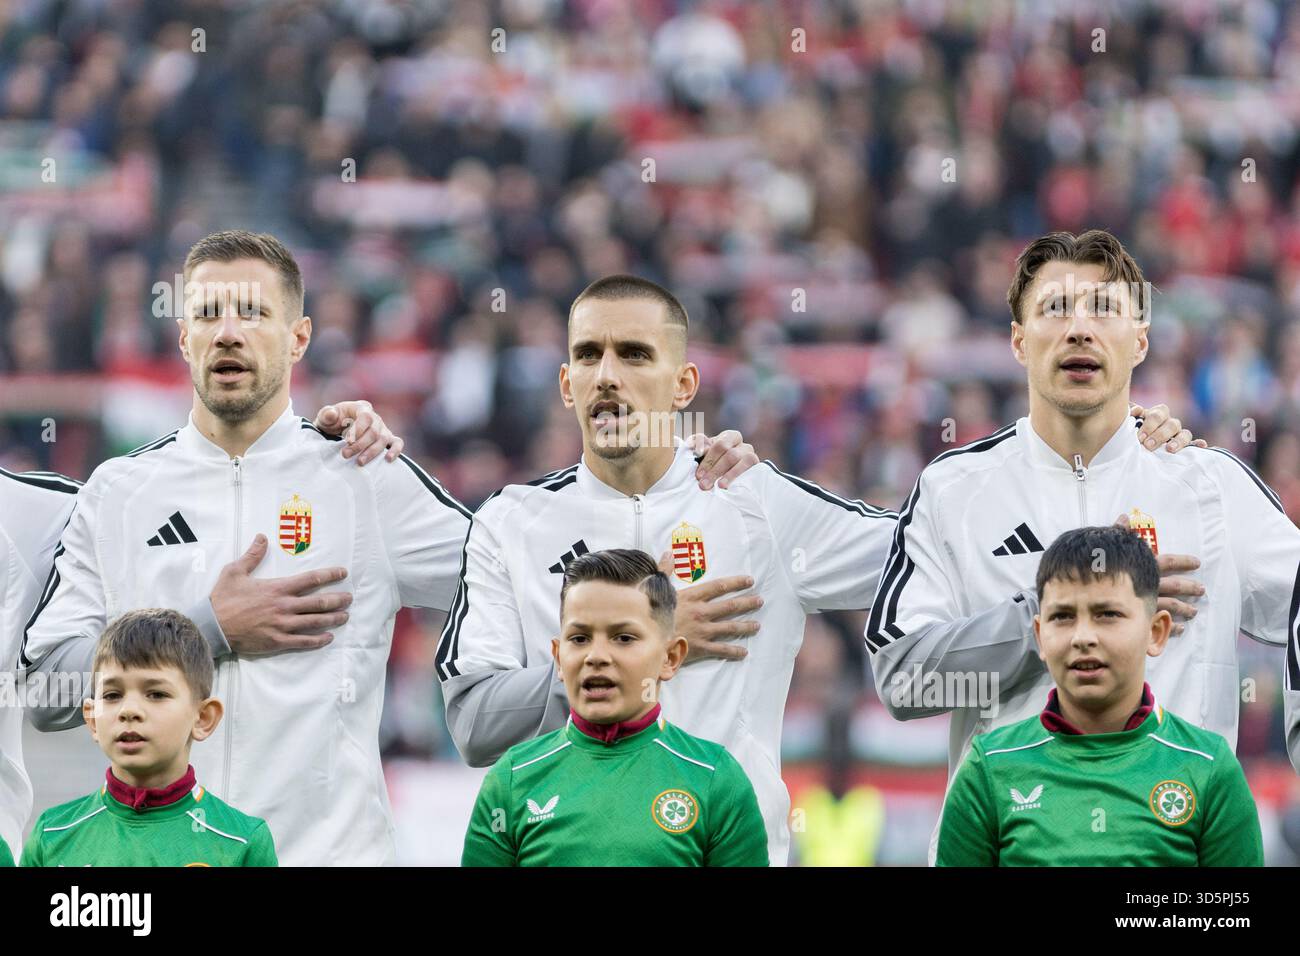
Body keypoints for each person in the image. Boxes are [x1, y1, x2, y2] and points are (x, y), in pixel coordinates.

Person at [437, 272, 1189, 864]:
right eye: (588, 356)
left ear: (683, 385)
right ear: (566, 384)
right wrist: (642, 645)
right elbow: (474, 724)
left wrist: (1122, 455)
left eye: (634, 355)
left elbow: (944, 545)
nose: (608, 376)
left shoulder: (759, 507)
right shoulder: (509, 523)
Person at [19, 230, 474, 865]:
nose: (227, 333)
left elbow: (516, 577)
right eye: (207, 313)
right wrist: (206, 630)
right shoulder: (117, 493)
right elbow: (46, 693)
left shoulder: (364, 476)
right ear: (183, 338)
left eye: (254, 313)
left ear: (299, 338)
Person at [866, 229, 1300, 815]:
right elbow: (903, 681)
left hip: (1170, 869)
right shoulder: (953, 491)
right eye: (1054, 309)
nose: (1079, 328)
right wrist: (1044, 616)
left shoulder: (1211, 488)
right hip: (1010, 847)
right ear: (1019, 341)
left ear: (1140, 339)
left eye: (1104, 308)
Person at [2, 406, 394, 865]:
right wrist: (212, 626)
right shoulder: (56, 836)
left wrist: (322, 448)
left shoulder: (41, 510)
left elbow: (490, 549)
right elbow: (47, 696)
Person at [937, 526, 1263, 866]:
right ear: (1039, 636)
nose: (1083, 637)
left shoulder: (1208, 767)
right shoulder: (989, 767)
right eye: (1062, 617)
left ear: (1156, 632)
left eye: (1107, 615)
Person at [462, 549, 767, 867]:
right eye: (579, 638)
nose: (596, 656)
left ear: (670, 657)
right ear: (558, 657)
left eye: (623, 638)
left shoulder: (716, 780)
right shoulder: (511, 780)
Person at [21, 608, 277, 866]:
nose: (129, 710)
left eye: (156, 694)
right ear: (92, 719)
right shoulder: (51, 835)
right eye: (112, 695)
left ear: (202, 718)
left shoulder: (243, 841)